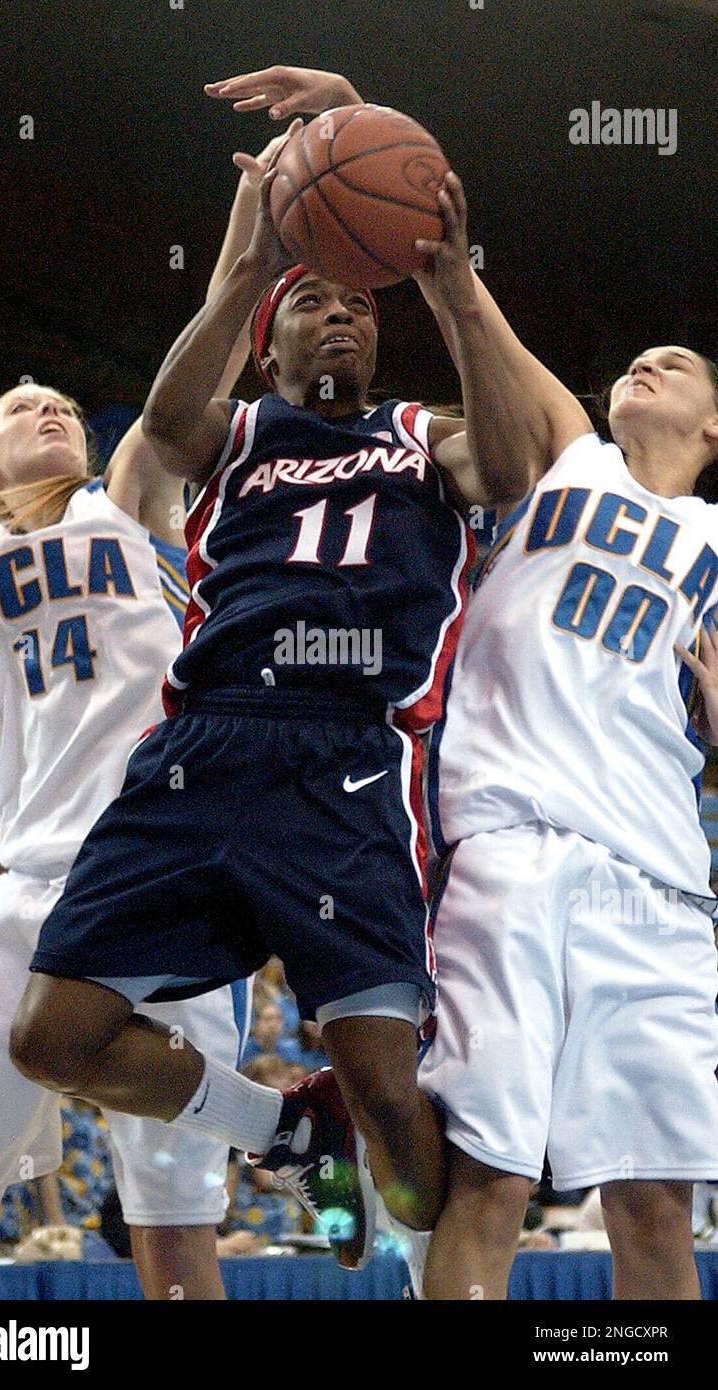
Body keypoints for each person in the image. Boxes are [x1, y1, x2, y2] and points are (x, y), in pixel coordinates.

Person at [9, 81, 529, 1271]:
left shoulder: (421, 431)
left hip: (352, 758)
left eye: (358, 304)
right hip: (203, 750)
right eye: (315, 302)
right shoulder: (229, 435)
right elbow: (165, 409)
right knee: (54, 1036)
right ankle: (287, 1134)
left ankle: (417, 1260)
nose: (341, 314)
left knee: (393, 1101)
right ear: (271, 339)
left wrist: (448, 289)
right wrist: (248, 266)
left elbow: (508, 467)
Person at [410, 172, 718, 1300]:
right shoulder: (570, 452)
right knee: (485, 1179)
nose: (647, 364)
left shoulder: (717, 540)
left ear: (715, 424)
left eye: (675, 365)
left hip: (661, 879)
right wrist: (448, 265)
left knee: (656, 1207)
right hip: (515, 838)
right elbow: (477, 328)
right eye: (637, 359)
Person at [0, 383, 252, 1302]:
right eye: (22, 405)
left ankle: (277, 1130)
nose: (53, 409)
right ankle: (279, 1126)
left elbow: (196, 366)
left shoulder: (127, 499)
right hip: (33, 887)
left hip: (166, 873)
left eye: (67, 405)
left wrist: (258, 248)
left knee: (173, 1219)